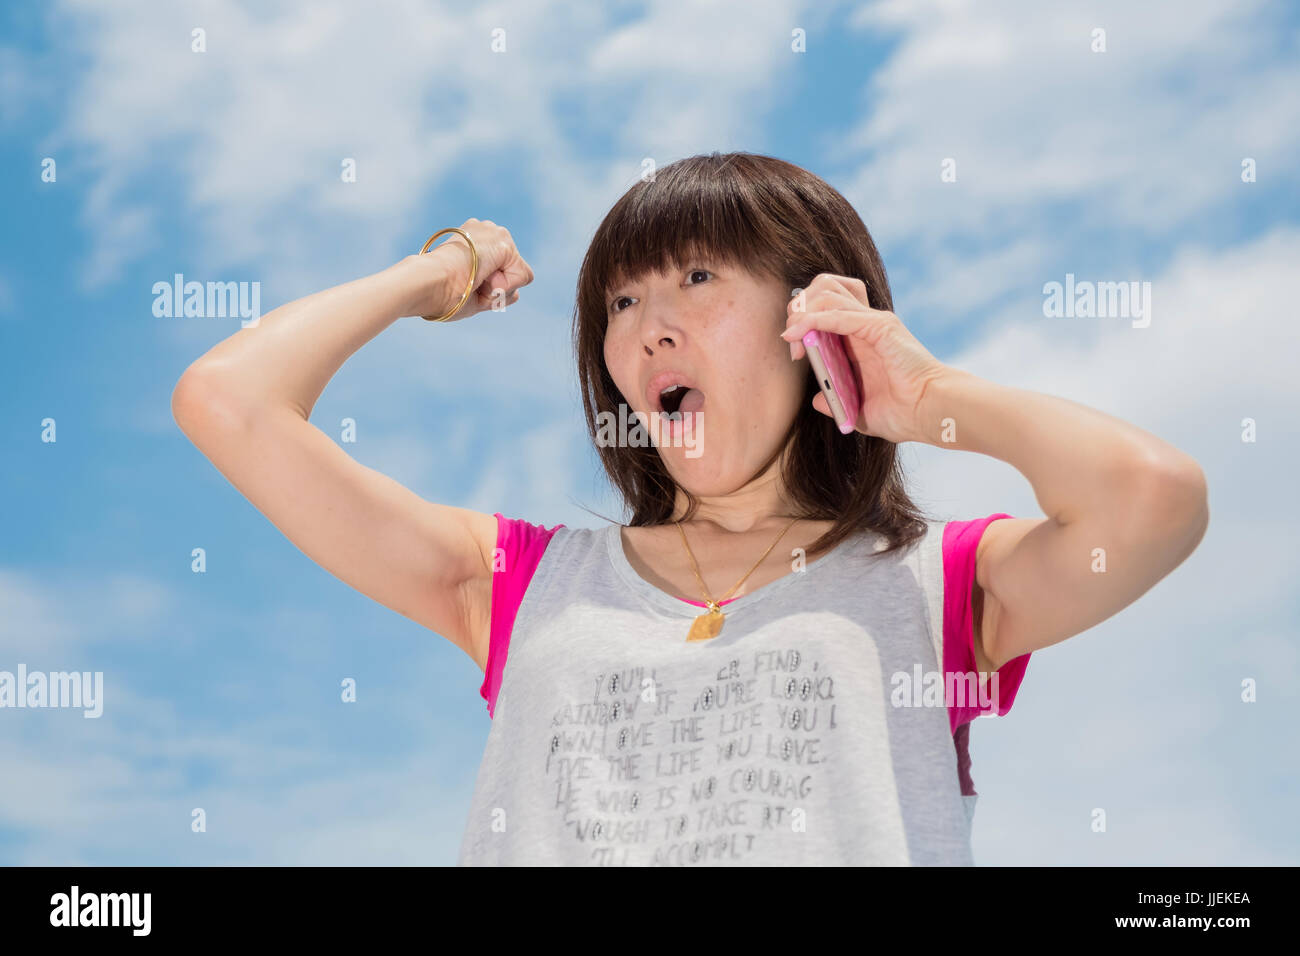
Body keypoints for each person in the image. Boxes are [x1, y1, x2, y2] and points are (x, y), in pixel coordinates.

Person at [171, 151, 1209, 866]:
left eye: (697, 277)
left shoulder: (938, 583)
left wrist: (930, 402)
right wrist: (434, 269)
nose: (647, 328)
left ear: (811, 315)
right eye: (620, 302)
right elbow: (229, 402)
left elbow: (1151, 496)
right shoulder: (521, 582)